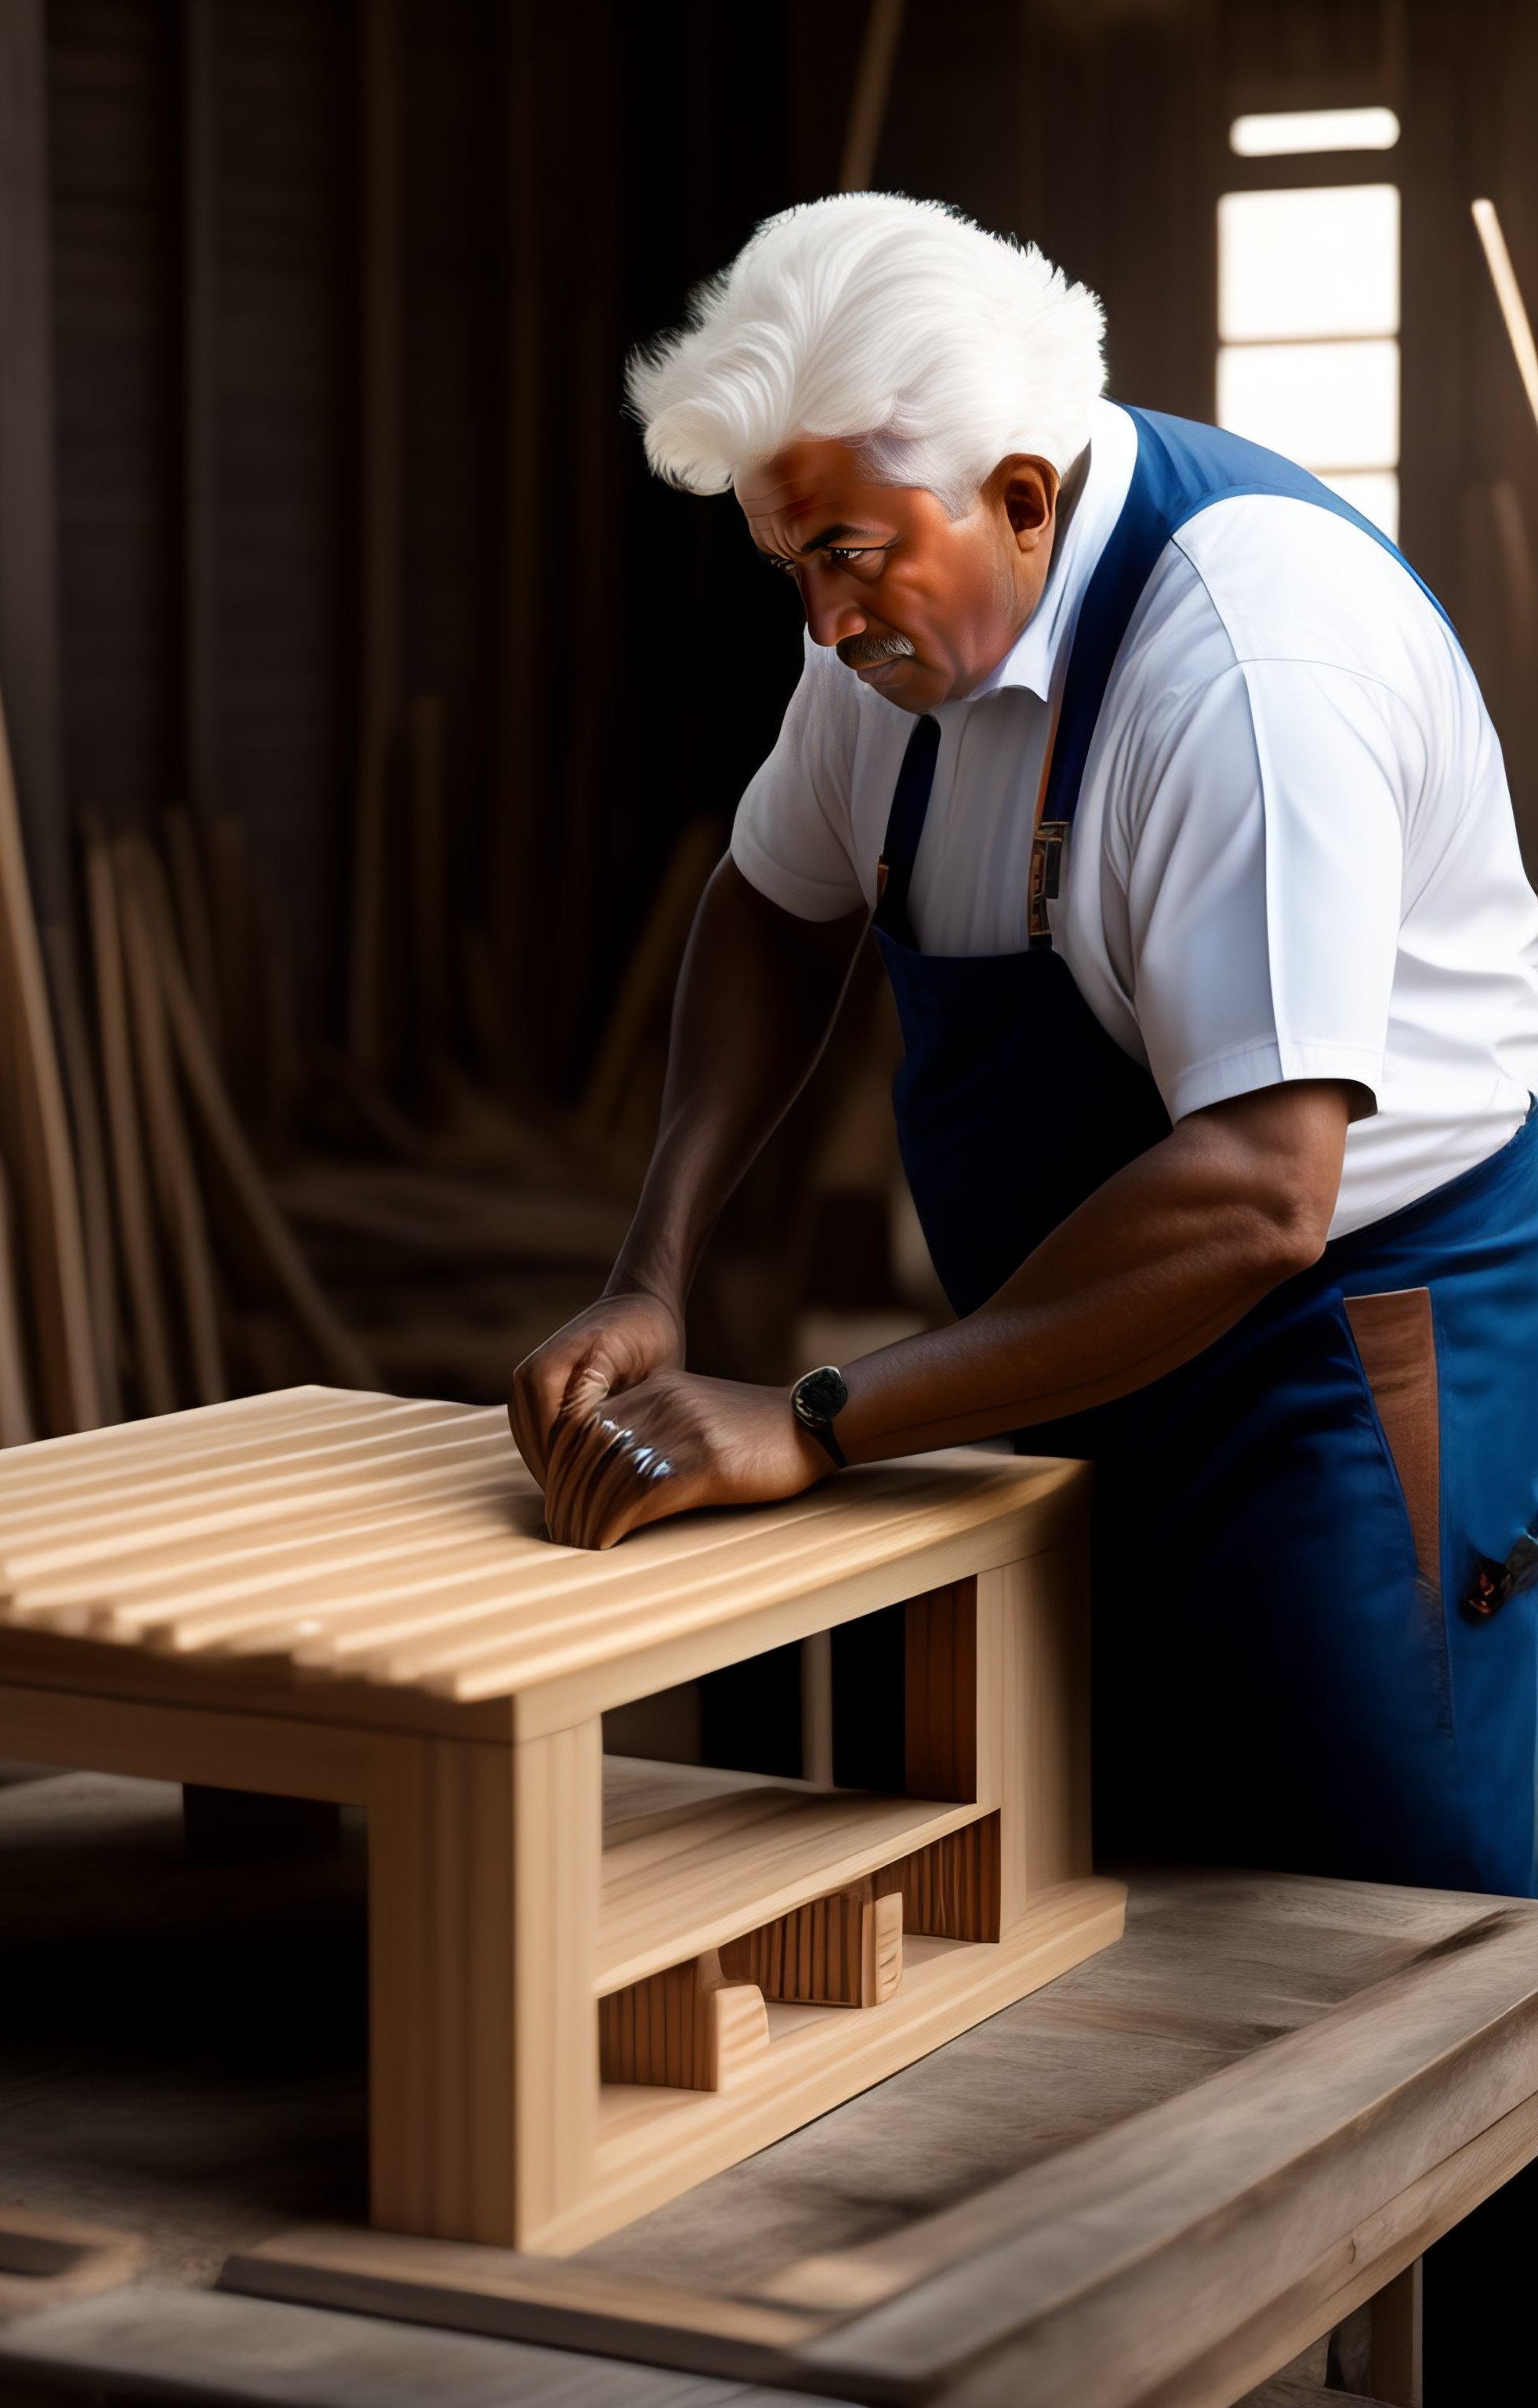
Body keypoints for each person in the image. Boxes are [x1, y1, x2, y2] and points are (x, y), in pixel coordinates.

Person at [510, 192, 1538, 1894]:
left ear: (1019, 498)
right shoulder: (881, 645)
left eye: (847, 558)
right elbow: (774, 902)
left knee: (1390, 1908)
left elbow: (1261, 1192)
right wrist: (652, 1270)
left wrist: (822, 1417)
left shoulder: (1249, 666)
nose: (822, 629)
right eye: (789, 565)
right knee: (1107, 1865)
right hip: (1065, 1331)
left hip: (1339, 1343)